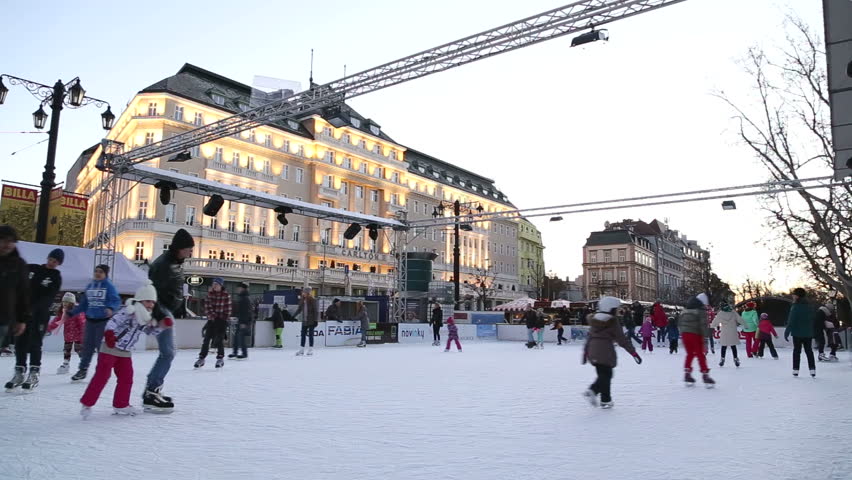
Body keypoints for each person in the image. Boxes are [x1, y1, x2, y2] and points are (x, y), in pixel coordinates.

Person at [79, 281, 173, 418]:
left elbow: (150, 332)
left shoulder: (146, 317)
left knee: (126, 378)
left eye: (153, 302)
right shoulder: (129, 311)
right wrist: (109, 334)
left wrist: (162, 326)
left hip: (125, 352)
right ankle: (87, 404)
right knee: (102, 376)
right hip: (110, 348)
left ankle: (121, 404)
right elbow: (113, 322)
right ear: (140, 300)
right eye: (148, 301)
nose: (151, 305)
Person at [144, 228, 193, 409]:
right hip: (162, 311)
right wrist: (159, 314)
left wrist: (179, 308)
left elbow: (175, 290)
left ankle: (153, 388)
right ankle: (151, 391)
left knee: (169, 352)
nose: (190, 252)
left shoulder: (174, 262)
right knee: (168, 352)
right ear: (180, 248)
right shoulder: (163, 264)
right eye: (188, 248)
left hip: (167, 311)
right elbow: (153, 290)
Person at [9, 248, 63, 390]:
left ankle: (34, 373)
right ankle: (19, 372)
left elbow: (49, 297)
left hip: (39, 315)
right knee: (20, 341)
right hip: (23, 314)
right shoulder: (32, 268)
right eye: (51, 259)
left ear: (59, 263)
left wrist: (34, 309)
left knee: (34, 342)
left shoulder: (55, 277)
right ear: (47, 258)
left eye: (55, 261)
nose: (52, 262)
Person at [582, 296, 642, 409]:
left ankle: (606, 400)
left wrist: (585, 353)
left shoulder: (594, 320)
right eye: (616, 309)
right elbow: (622, 340)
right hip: (605, 351)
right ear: (611, 309)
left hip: (593, 350)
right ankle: (593, 390)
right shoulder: (612, 321)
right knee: (607, 374)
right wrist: (634, 353)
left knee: (603, 374)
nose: (617, 311)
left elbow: (589, 338)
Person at [69, 265, 121, 382]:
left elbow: (116, 300)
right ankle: (82, 370)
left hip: (102, 322)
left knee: (101, 348)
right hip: (90, 321)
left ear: (105, 274)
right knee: (87, 347)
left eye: (101, 272)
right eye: (96, 271)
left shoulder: (109, 286)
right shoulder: (89, 286)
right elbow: (84, 304)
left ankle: (101, 372)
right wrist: (72, 313)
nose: (97, 273)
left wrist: (111, 308)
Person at [679, 294, 714, 387]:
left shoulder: (685, 310)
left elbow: (680, 322)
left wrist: (682, 332)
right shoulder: (700, 310)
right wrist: (705, 336)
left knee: (690, 354)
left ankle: (687, 373)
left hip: (685, 334)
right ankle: (705, 375)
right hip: (695, 334)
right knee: (700, 354)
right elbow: (703, 324)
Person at [47, 293, 86, 374]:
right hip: (68, 335)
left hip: (78, 336)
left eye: (67, 302)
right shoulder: (63, 312)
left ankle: (84, 364)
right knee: (66, 350)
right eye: (64, 302)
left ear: (72, 303)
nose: (64, 304)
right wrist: (48, 328)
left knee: (79, 350)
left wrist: (84, 334)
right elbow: (56, 321)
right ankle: (65, 365)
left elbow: (82, 324)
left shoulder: (77, 311)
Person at [196, 278, 231, 368]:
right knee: (206, 340)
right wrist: (213, 316)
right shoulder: (209, 295)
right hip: (212, 320)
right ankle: (201, 358)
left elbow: (228, 310)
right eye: (214, 284)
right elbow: (207, 307)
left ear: (221, 285)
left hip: (222, 321)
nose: (215, 286)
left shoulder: (226, 295)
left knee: (219, 340)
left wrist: (223, 319)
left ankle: (220, 358)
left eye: (217, 284)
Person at [785, 287, 816, 377]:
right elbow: (812, 319)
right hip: (808, 333)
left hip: (797, 333)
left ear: (797, 296)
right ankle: (812, 369)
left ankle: (795, 369)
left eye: (794, 294)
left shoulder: (795, 306)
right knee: (809, 351)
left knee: (797, 351)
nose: (792, 296)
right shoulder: (810, 306)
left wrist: (787, 331)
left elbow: (791, 320)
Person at [712, 300, 745, 368]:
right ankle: (735, 359)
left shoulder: (720, 313)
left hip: (725, 331)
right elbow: (739, 319)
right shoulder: (733, 312)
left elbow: (715, 321)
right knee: (733, 346)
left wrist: (711, 326)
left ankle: (722, 359)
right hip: (732, 331)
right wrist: (746, 325)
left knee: (724, 346)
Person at [228, 282, 251, 359]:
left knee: (240, 337)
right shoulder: (242, 298)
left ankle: (244, 353)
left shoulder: (245, 299)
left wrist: (244, 322)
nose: (237, 289)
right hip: (240, 321)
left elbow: (246, 311)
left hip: (243, 322)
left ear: (243, 289)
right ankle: (235, 352)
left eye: (239, 288)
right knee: (237, 337)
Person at [293, 290, 319, 356]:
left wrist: (316, 320)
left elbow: (315, 310)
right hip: (304, 320)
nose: (303, 294)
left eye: (304, 293)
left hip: (311, 320)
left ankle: (310, 350)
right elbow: (299, 309)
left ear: (307, 293)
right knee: (303, 335)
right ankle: (301, 349)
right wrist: (293, 316)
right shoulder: (302, 300)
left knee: (310, 335)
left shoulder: (312, 300)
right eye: (303, 293)